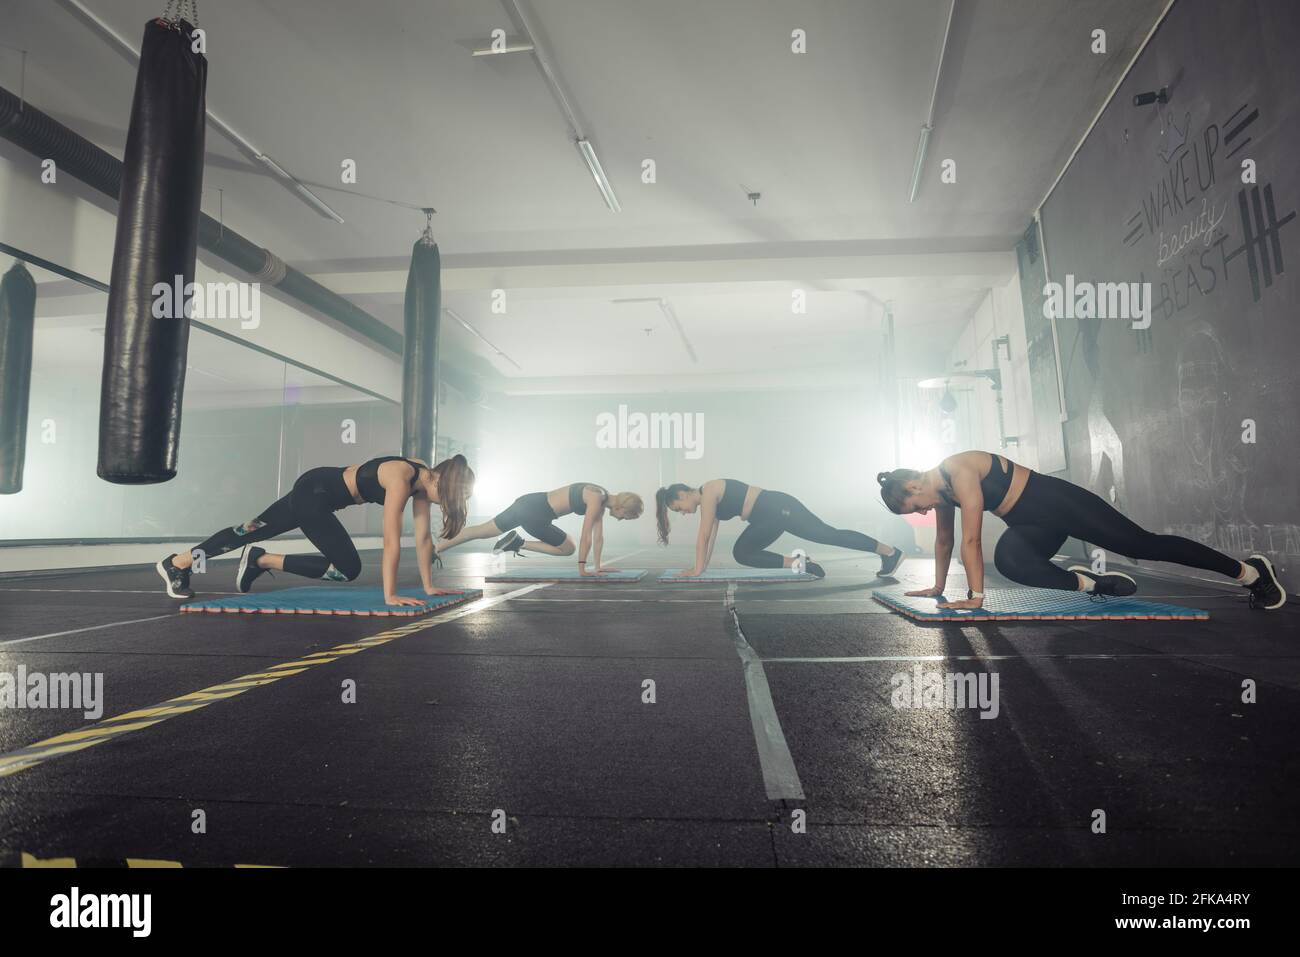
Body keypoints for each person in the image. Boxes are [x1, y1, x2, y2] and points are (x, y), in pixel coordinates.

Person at [877, 450, 1285, 610]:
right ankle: (1093, 586)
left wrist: (977, 597)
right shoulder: (942, 494)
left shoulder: (958, 468)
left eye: (917, 505)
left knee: (1141, 545)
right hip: (1031, 524)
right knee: (1010, 560)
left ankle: (1250, 573)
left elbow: (969, 538)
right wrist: (936, 585)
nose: (925, 511)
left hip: (1059, 503)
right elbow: (946, 540)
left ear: (914, 486)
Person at [156, 454, 474, 607]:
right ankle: (259, 560)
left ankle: (179, 563)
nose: (444, 505)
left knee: (248, 531)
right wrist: (390, 595)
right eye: (450, 498)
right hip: (315, 495)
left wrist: (429, 586)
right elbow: (391, 538)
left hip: (315, 489)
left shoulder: (422, 481)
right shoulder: (401, 476)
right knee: (348, 569)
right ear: (441, 482)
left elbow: (421, 537)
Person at [655, 479, 904, 578]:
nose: (684, 513)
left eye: (679, 508)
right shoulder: (711, 502)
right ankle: (800, 564)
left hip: (778, 508)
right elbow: (709, 539)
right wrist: (702, 567)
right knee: (742, 552)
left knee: (828, 534)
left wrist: (696, 570)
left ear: (683, 493)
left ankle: (889, 552)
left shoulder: (709, 491)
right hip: (767, 518)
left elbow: (703, 534)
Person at [434, 483, 643, 576]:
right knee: (568, 547)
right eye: (627, 516)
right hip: (536, 513)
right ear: (621, 507)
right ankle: (518, 543)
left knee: (481, 530)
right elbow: (586, 535)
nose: (622, 519)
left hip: (529, 503)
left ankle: (436, 548)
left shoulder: (600, 495)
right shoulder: (597, 499)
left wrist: (598, 566)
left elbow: (599, 537)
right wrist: (582, 568)